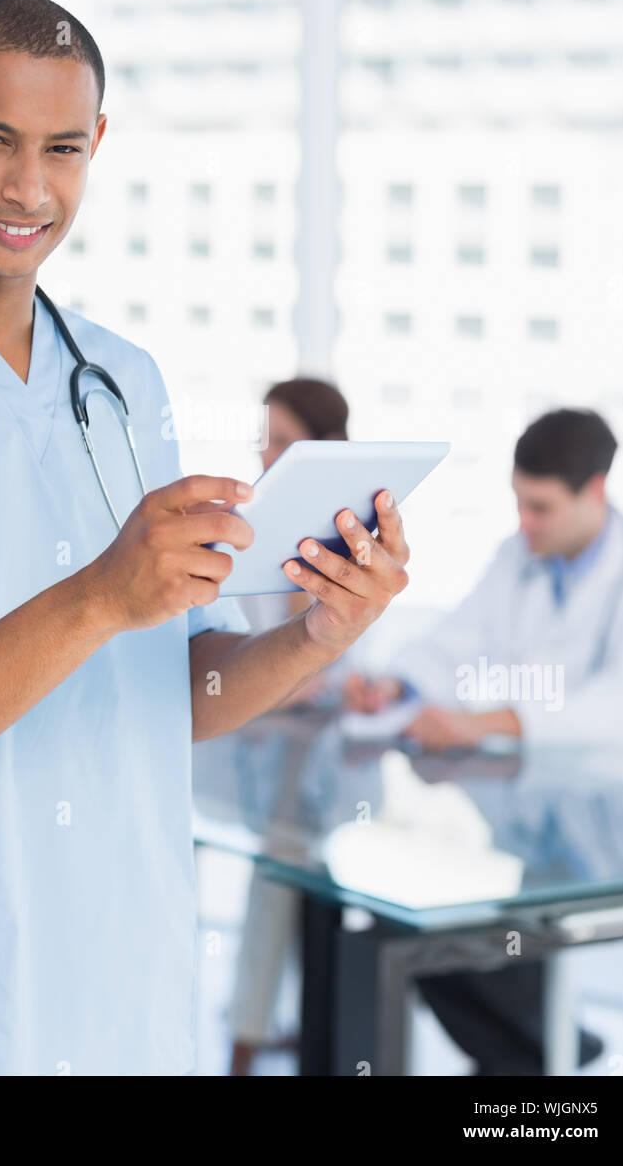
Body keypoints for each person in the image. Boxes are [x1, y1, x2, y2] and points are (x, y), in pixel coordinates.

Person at [0, 0, 410, 1077]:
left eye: (62, 148)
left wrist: (315, 634)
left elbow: (174, 694)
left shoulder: (120, 383)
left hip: (122, 994)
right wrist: (96, 598)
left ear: (97, 145)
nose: (29, 188)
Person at [351, 407, 623, 1074]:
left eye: (541, 507)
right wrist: (398, 686)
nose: (525, 524)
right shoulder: (517, 557)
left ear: (594, 491)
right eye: (519, 503)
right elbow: (460, 643)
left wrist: (486, 724)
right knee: (416, 937)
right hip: (529, 822)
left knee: (458, 952)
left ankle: (536, 1061)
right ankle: (539, 1061)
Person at [228, 377, 367, 1075]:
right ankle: (250, 1037)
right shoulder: (247, 533)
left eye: (282, 441)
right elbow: (228, 656)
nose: (264, 454)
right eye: (265, 438)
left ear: (327, 450)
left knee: (298, 885)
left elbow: (349, 665)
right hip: (249, 760)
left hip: (322, 772)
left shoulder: (358, 543)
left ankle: (264, 1038)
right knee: (278, 870)